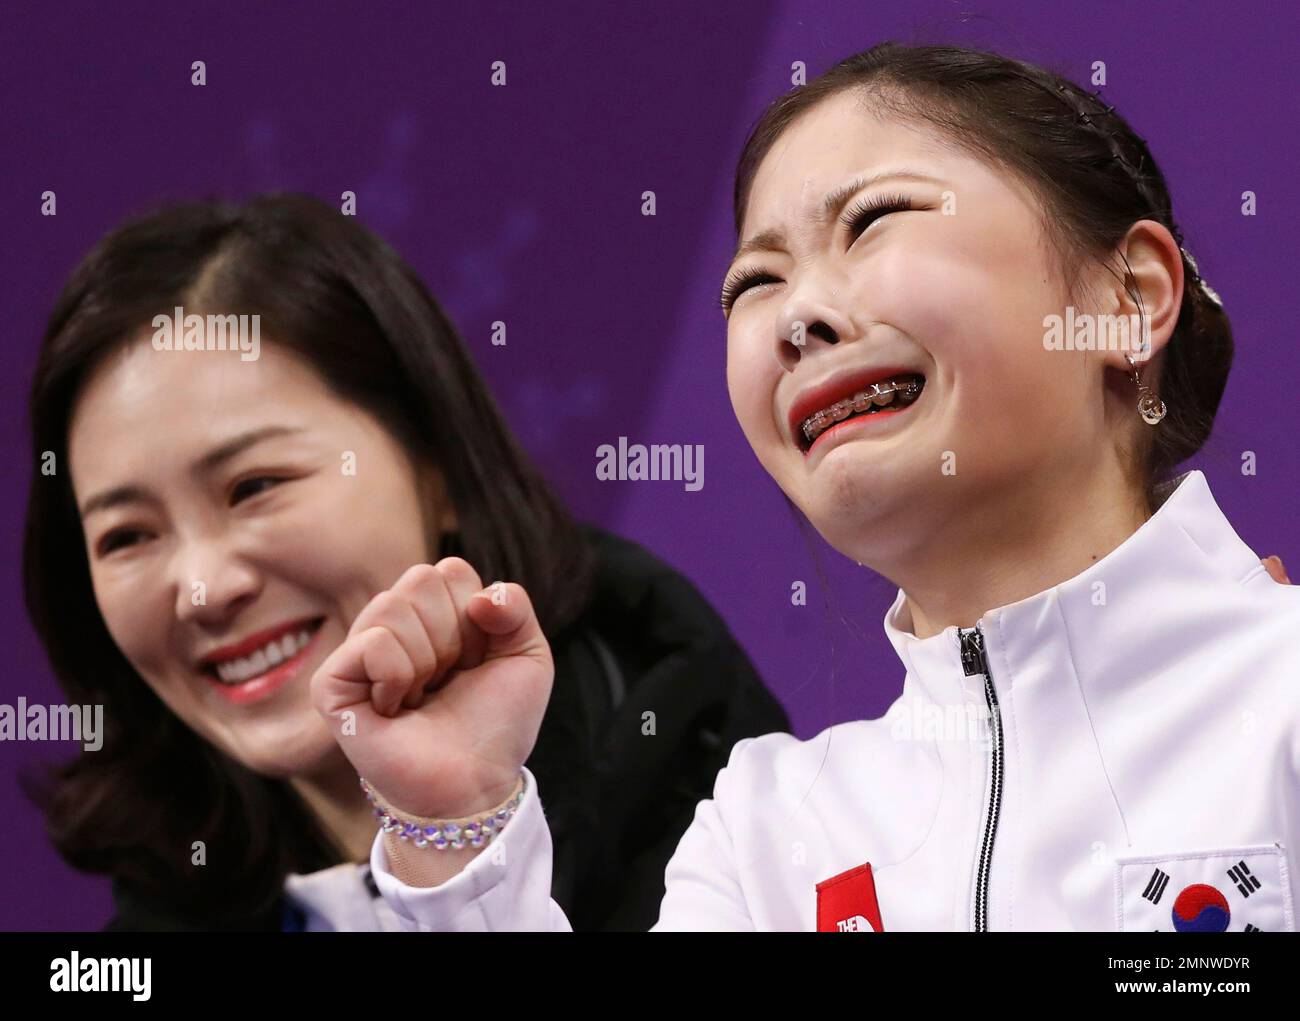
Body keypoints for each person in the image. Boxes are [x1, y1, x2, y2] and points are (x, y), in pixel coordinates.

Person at [324, 42, 1300, 932]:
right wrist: (453, 829)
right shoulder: (768, 831)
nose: (795, 319)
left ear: (1126, 299)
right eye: (754, 283)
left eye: (871, 220)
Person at [20, 193, 791, 932]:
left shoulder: (740, 825)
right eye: (126, 535)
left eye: (255, 486)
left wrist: (458, 852)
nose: (203, 588)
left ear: (437, 466)